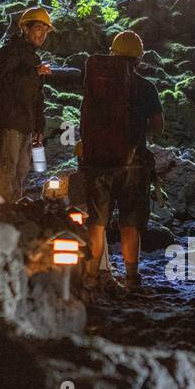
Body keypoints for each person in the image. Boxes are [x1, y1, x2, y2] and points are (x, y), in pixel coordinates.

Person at [79, 30, 163, 294]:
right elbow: (159, 126)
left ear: (113, 54)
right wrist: (140, 134)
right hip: (132, 164)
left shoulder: (97, 82)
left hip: (97, 162)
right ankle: (131, 278)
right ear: (139, 59)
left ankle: (91, 277)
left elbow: (85, 118)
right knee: (129, 222)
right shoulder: (146, 87)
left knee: (97, 222)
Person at [0, 6, 53, 200]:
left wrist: (39, 126)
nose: (42, 34)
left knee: (22, 168)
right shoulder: (9, 52)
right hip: (9, 120)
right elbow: (5, 83)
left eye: (45, 30)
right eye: (38, 29)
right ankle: (2, 208)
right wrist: (34, 73)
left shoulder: (34, 59)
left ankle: (14, 205)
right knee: (8, 165)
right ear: (25, 28)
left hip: (26, 122)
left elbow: (37, 96)